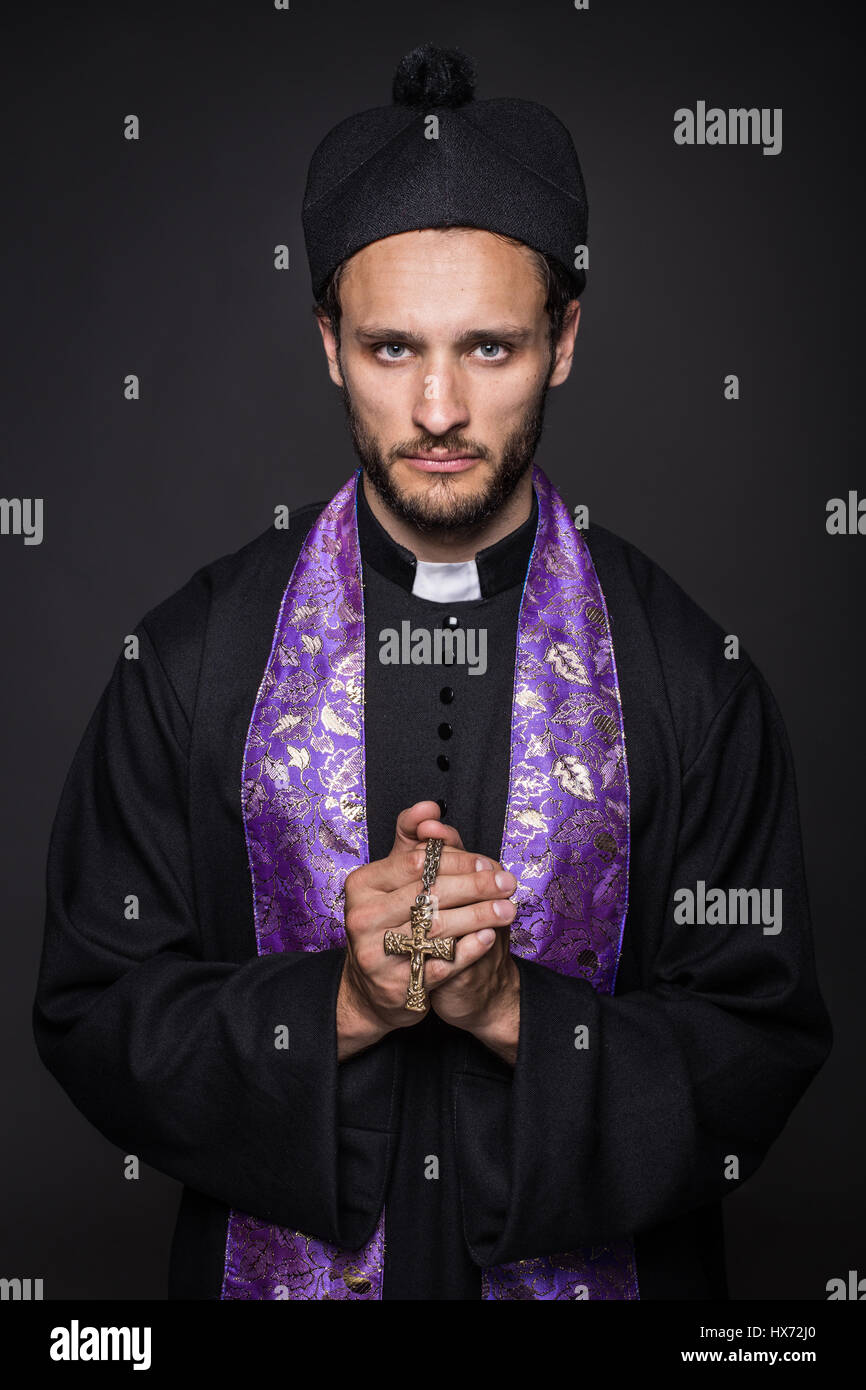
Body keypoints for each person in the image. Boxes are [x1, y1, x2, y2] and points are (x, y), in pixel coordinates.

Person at [33, 43, 832, 1301]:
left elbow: (762, 1039)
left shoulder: (689, 677)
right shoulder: (192, 660)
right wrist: (343, 1003)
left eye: (491, 348)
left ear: (563, 339)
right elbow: (90, 1007)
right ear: (327, 343)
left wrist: (513, 1009)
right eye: (393, 347)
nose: (440, 407)